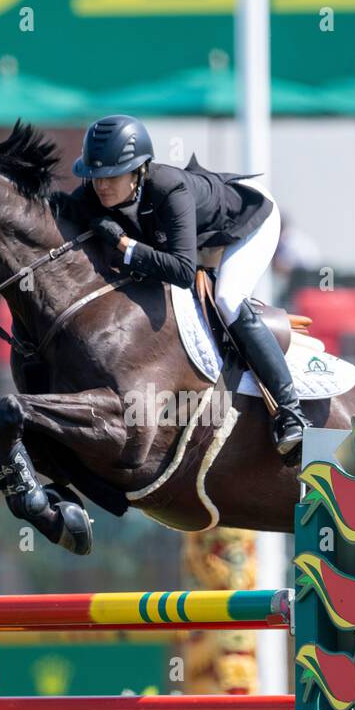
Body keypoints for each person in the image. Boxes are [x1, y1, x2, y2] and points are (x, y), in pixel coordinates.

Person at [67, 114, 309, 456]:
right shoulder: (95, 192)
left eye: (111, 176)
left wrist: (124, 245)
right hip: (194, 238)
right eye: (95, 177)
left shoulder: (169, 188)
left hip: (246, 222)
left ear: (138, 170)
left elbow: (181, 270)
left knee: (226, 298)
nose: (101, 185)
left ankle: (291, 413)